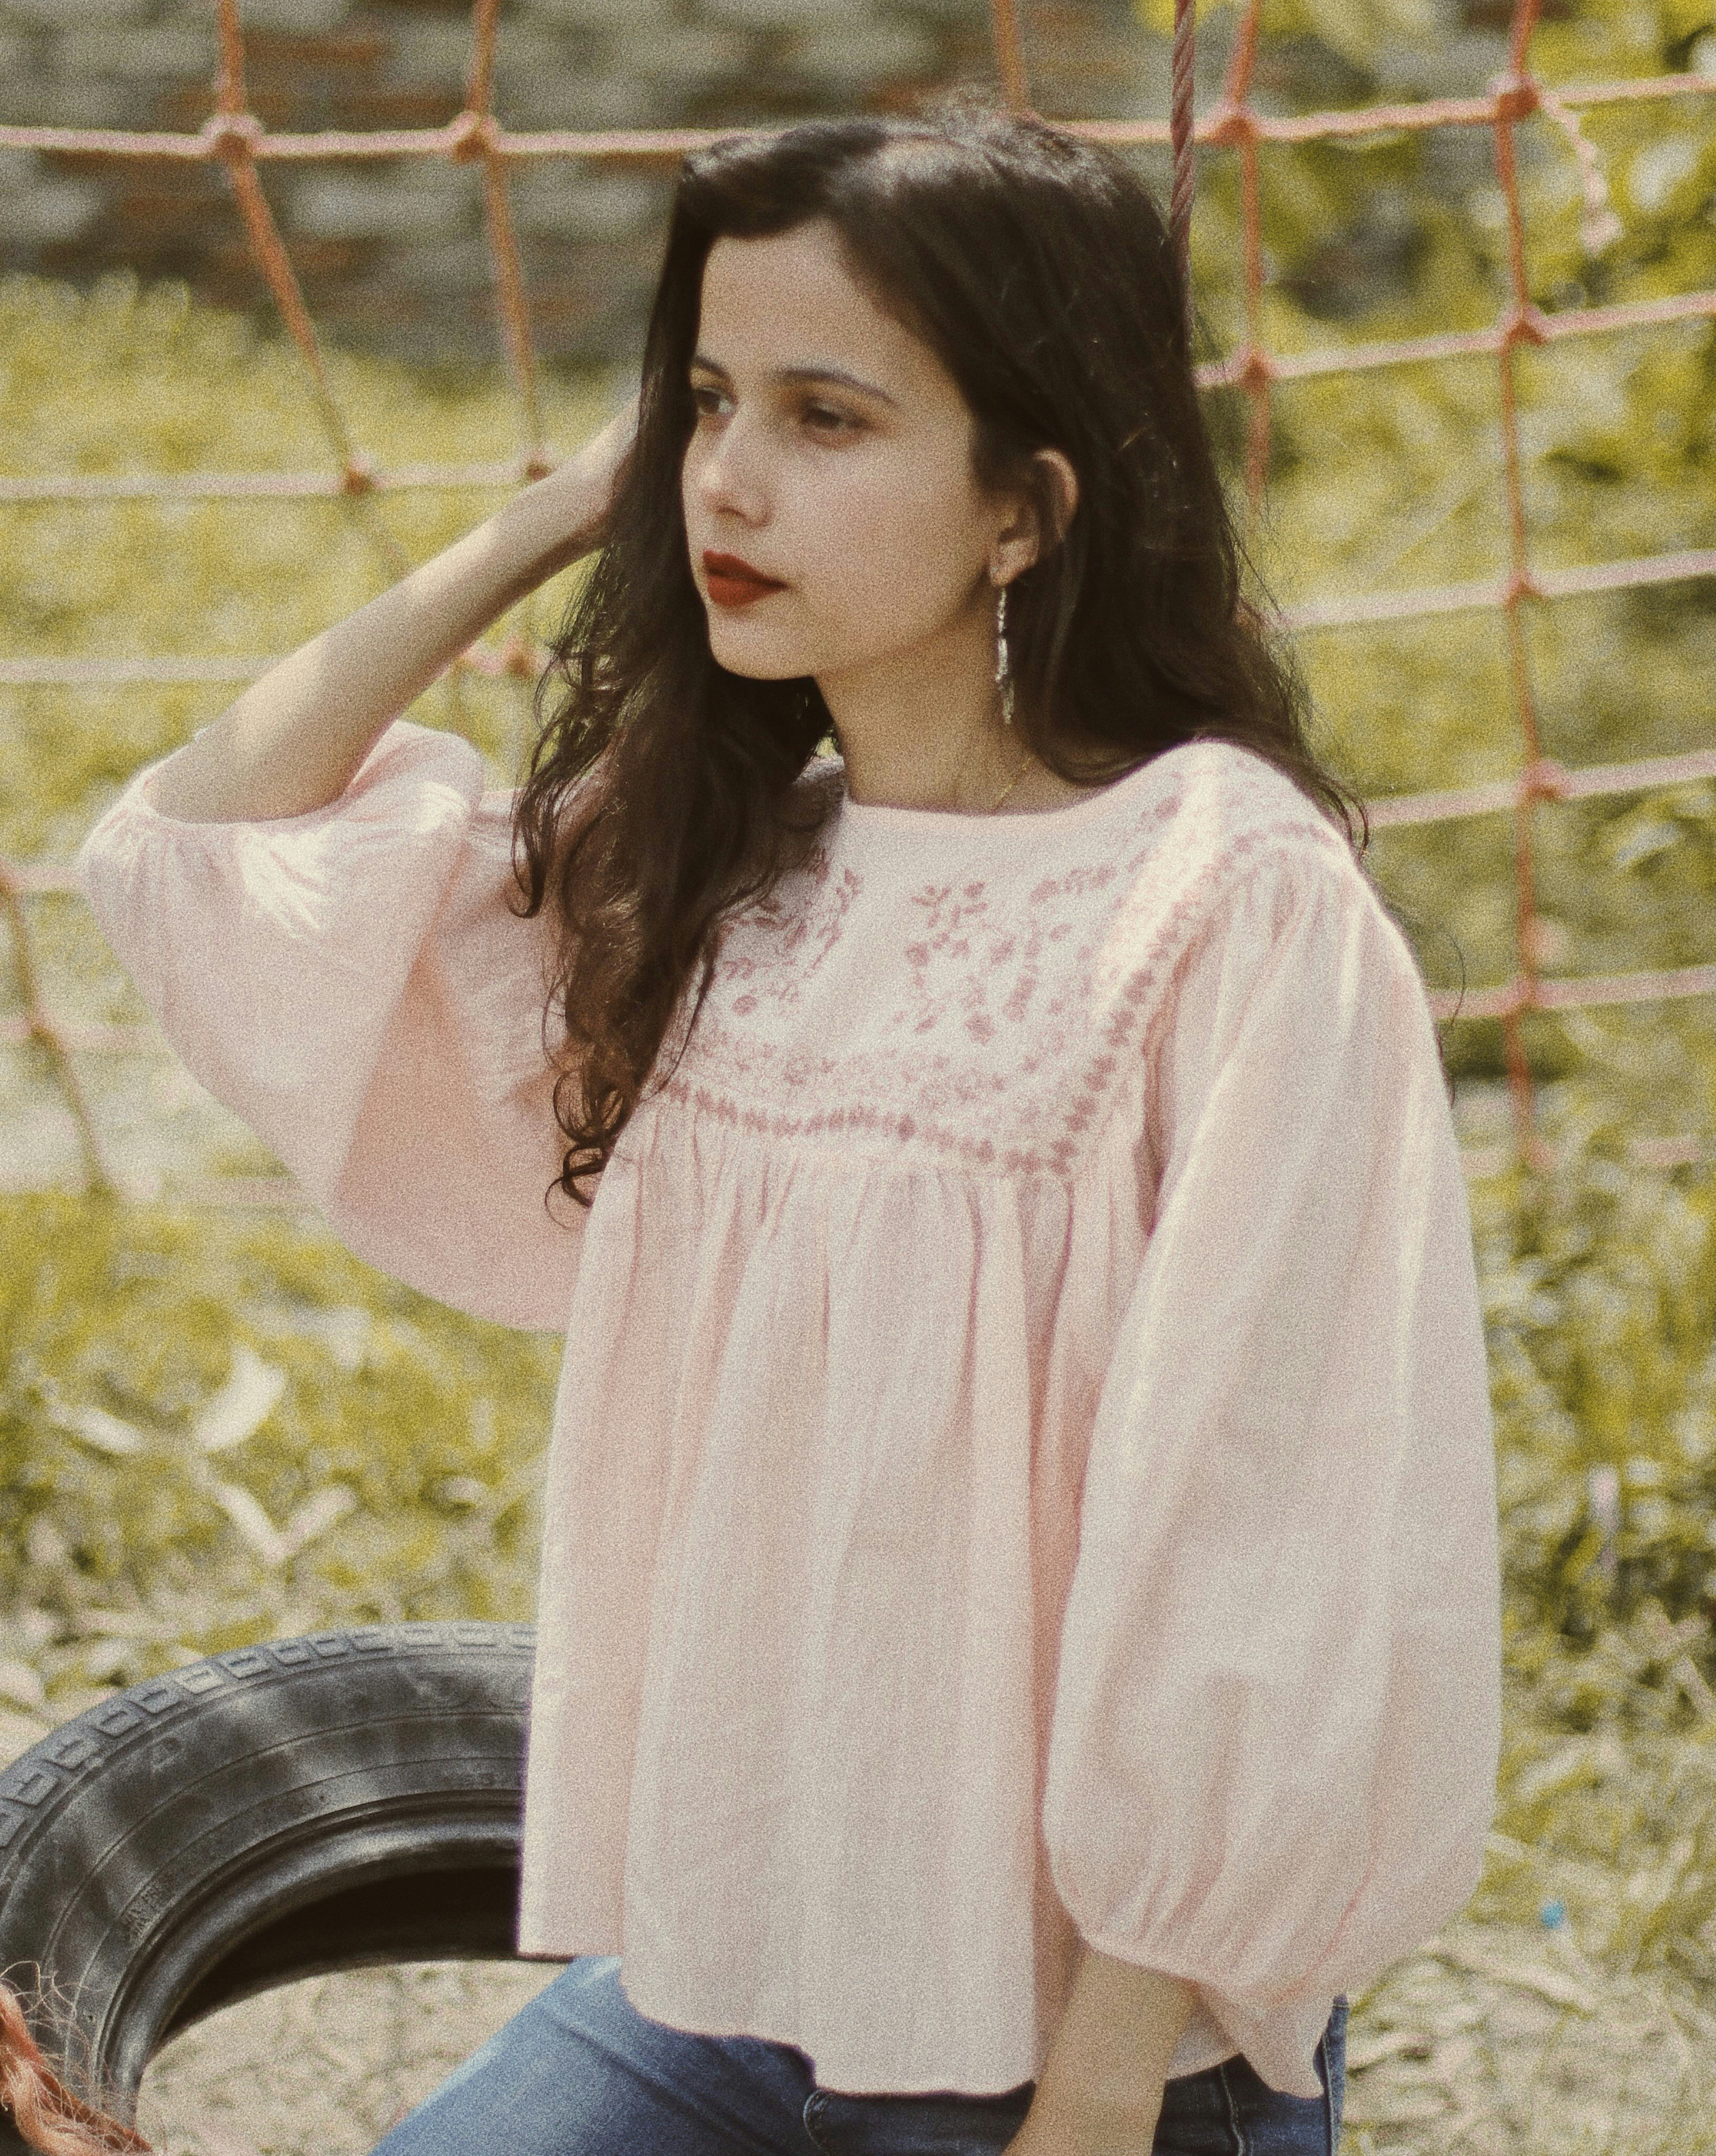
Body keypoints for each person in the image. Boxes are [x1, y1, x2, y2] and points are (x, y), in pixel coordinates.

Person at [63, 106, 1501, 2156]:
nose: (729, 479)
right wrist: (563, 509)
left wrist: (1094, 2092)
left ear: (1026, 508)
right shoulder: (715, 867)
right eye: (707, 404)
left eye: (829, 419)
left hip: (1067, 2047)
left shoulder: (1220, 899)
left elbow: (1262, 1536)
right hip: (719, 1976)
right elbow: (199, 853)